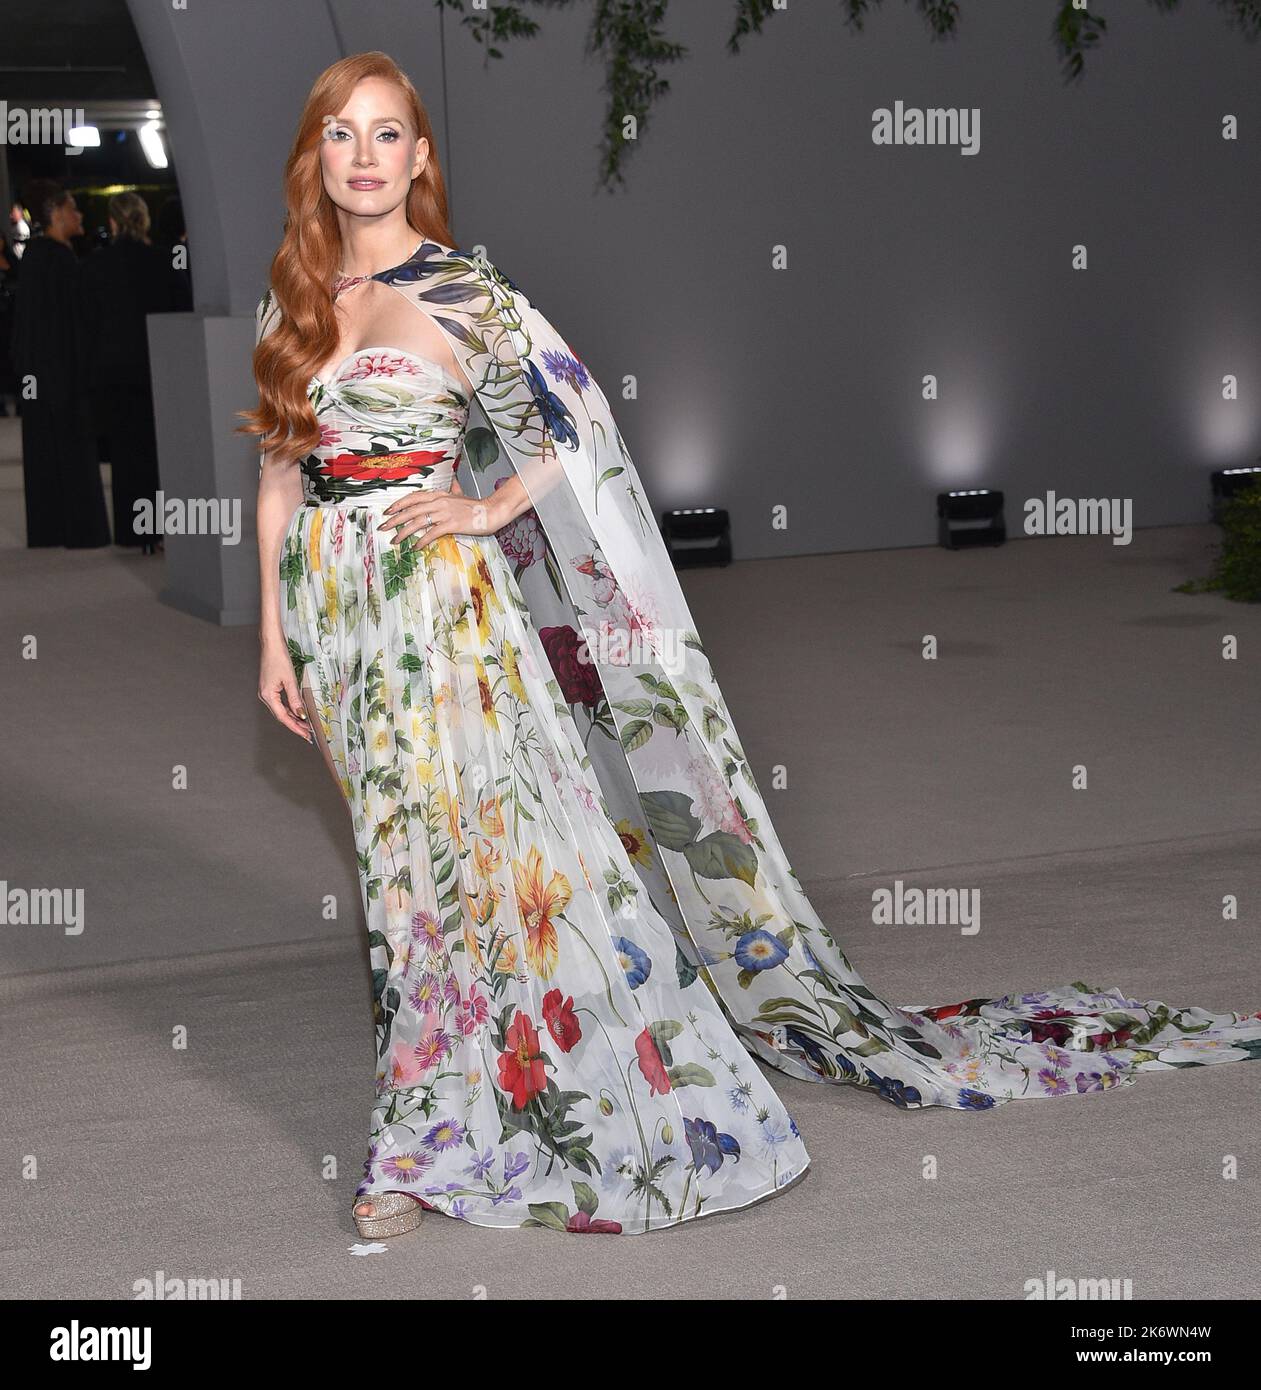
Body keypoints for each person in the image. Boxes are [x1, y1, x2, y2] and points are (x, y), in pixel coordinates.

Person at [245, 53, 1261, 1241]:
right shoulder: (295, 296)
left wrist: (477, 509)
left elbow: (575, 429)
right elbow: (276, 476)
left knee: (440, 882)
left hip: (438, 620)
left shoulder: (467, 293)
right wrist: (273, 633)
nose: (363, 157)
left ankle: (417, 1145)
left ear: (421, 159)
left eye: (386, 135)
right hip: (332, 617)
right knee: (398, 874)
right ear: (315, 158)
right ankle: (450, 1093)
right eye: (340, 136)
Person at [9, 179, 109, 548]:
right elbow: (76, 325)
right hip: (65, 375)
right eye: (72, 209)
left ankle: (50, 529)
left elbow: (28, 326)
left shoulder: (34, 258)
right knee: (73, 451)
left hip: (39, 374)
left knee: (45, 452)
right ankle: (81, 531)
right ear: (55, 213)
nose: (79, 214)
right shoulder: (62, 260)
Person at [81, 191, 179, 551]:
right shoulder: (161, 261)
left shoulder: (94, 266)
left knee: (124, 456)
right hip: (155, 367)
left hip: (111, 370)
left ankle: (131, 532)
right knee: (157, 451)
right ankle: (160, 530)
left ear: (112, 221)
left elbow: (86, 323)